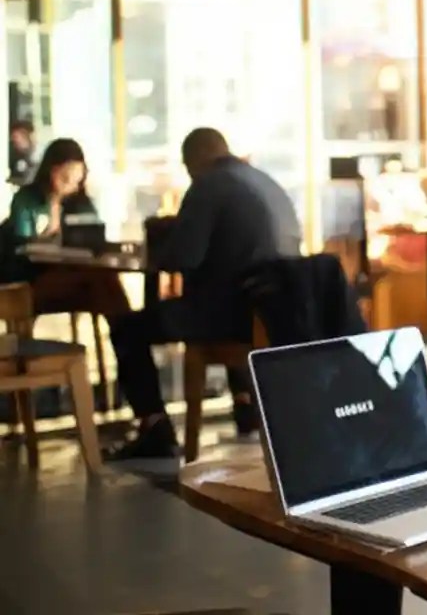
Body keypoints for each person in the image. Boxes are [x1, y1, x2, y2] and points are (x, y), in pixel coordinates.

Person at [107, 128, 302, 460]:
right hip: (278, 314)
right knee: (227, 288)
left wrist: (168, 239)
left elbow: (183, 258)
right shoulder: (265, 182)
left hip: (232, 316)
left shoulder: (208, 184)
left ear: (193, 160)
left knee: (128, 328)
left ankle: (155, 428)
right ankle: (245, 406)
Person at [0, 138, 130, 317]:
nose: (70, 186)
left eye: (76, 180)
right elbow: (22, 247)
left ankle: (130, 336)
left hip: (72, 274)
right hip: (30, 279)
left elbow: (93, 234)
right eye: (64, 178)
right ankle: (132, 337)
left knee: (105, 281)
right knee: (102, 283)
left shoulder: (80, 202)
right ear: (51, 170)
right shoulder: (26, 199)